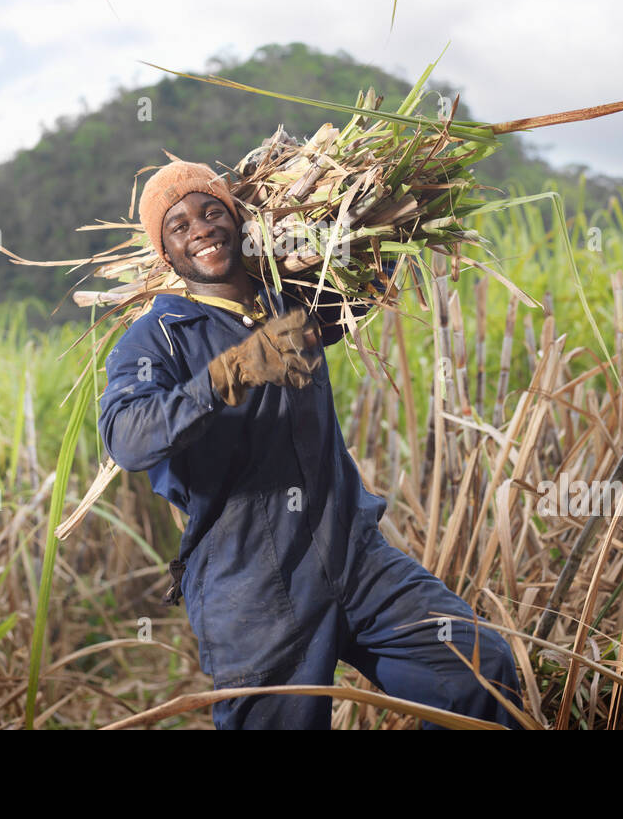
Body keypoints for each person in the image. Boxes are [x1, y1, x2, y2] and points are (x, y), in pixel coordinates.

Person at [98, 160, 522, 729]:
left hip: (354, 554)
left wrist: (381, 210)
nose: (200, 228)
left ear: (239, 221)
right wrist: (235, 371)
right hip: (253, 587)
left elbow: (369, 273)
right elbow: (128, 438)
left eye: (212, 211)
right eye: (178, 226)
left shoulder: (295, 300)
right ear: (166, 253)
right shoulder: (157, 337)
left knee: (477, 670)